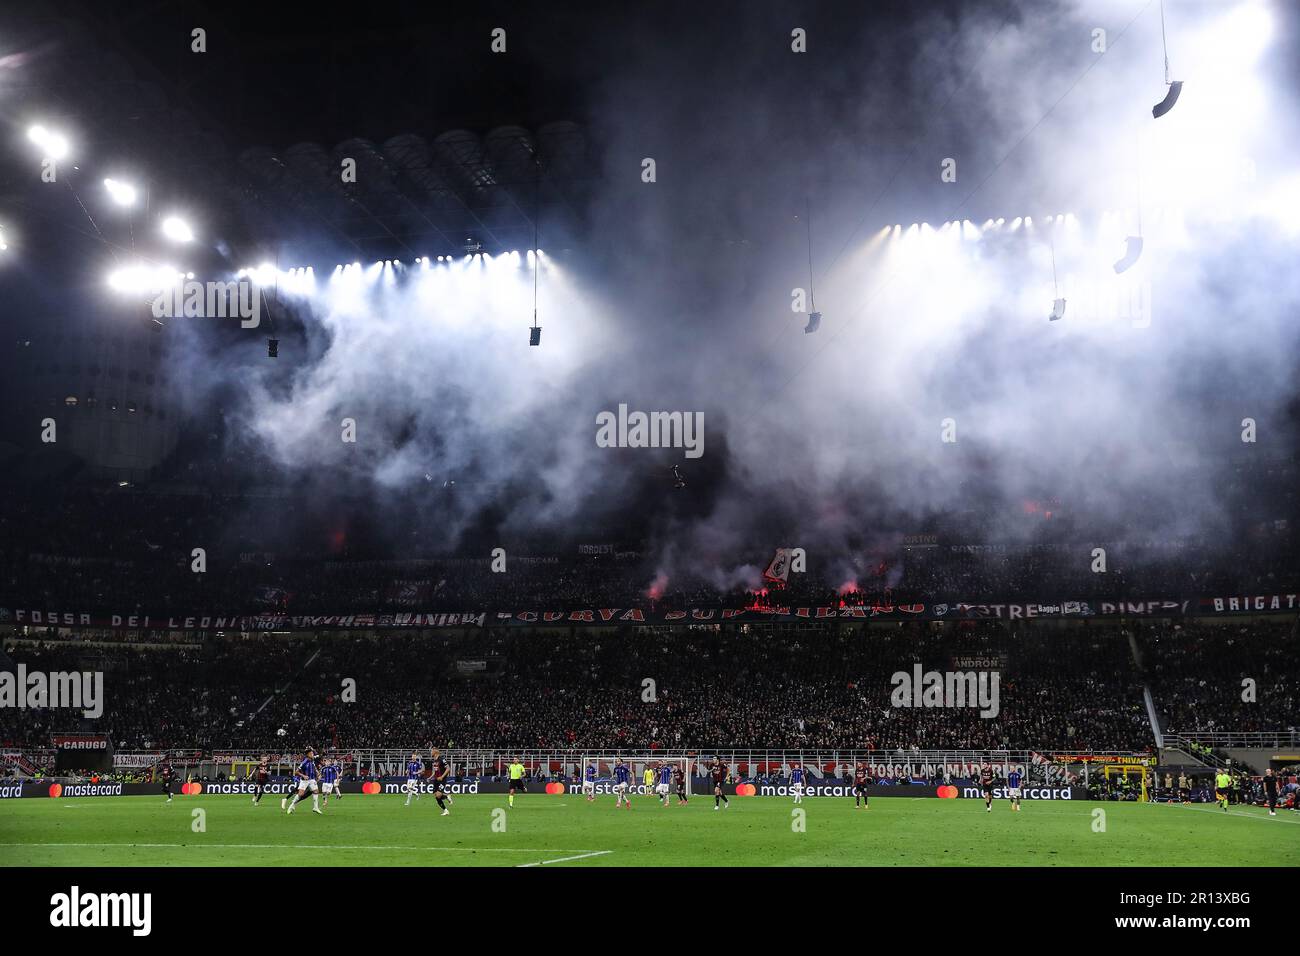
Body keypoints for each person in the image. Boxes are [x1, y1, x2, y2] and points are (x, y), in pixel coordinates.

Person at [283, 747, 322, 815]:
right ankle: (291, 806)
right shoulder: (304, 762)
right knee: (300, 794)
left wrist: (317, 772)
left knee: (316, 791)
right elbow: (296, 772)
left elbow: (314, 767)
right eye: (311, 753)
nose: (313, 754)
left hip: (312, 779)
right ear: (308, 754)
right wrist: (303, 776)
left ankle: (315, 808)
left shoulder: (312, 761)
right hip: (304, 780)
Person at [430, 747, 452, 816]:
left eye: (432, 751)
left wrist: (442, 777)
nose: (431, 752)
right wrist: (430, 777)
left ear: (435, 752)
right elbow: (435, 771)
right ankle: (446, 807)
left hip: (442, 780)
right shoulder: (434, 761)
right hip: (436, 780)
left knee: (439, 795)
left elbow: (448, 768)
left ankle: (446, 809)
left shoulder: (442, 759)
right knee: (436, 796)